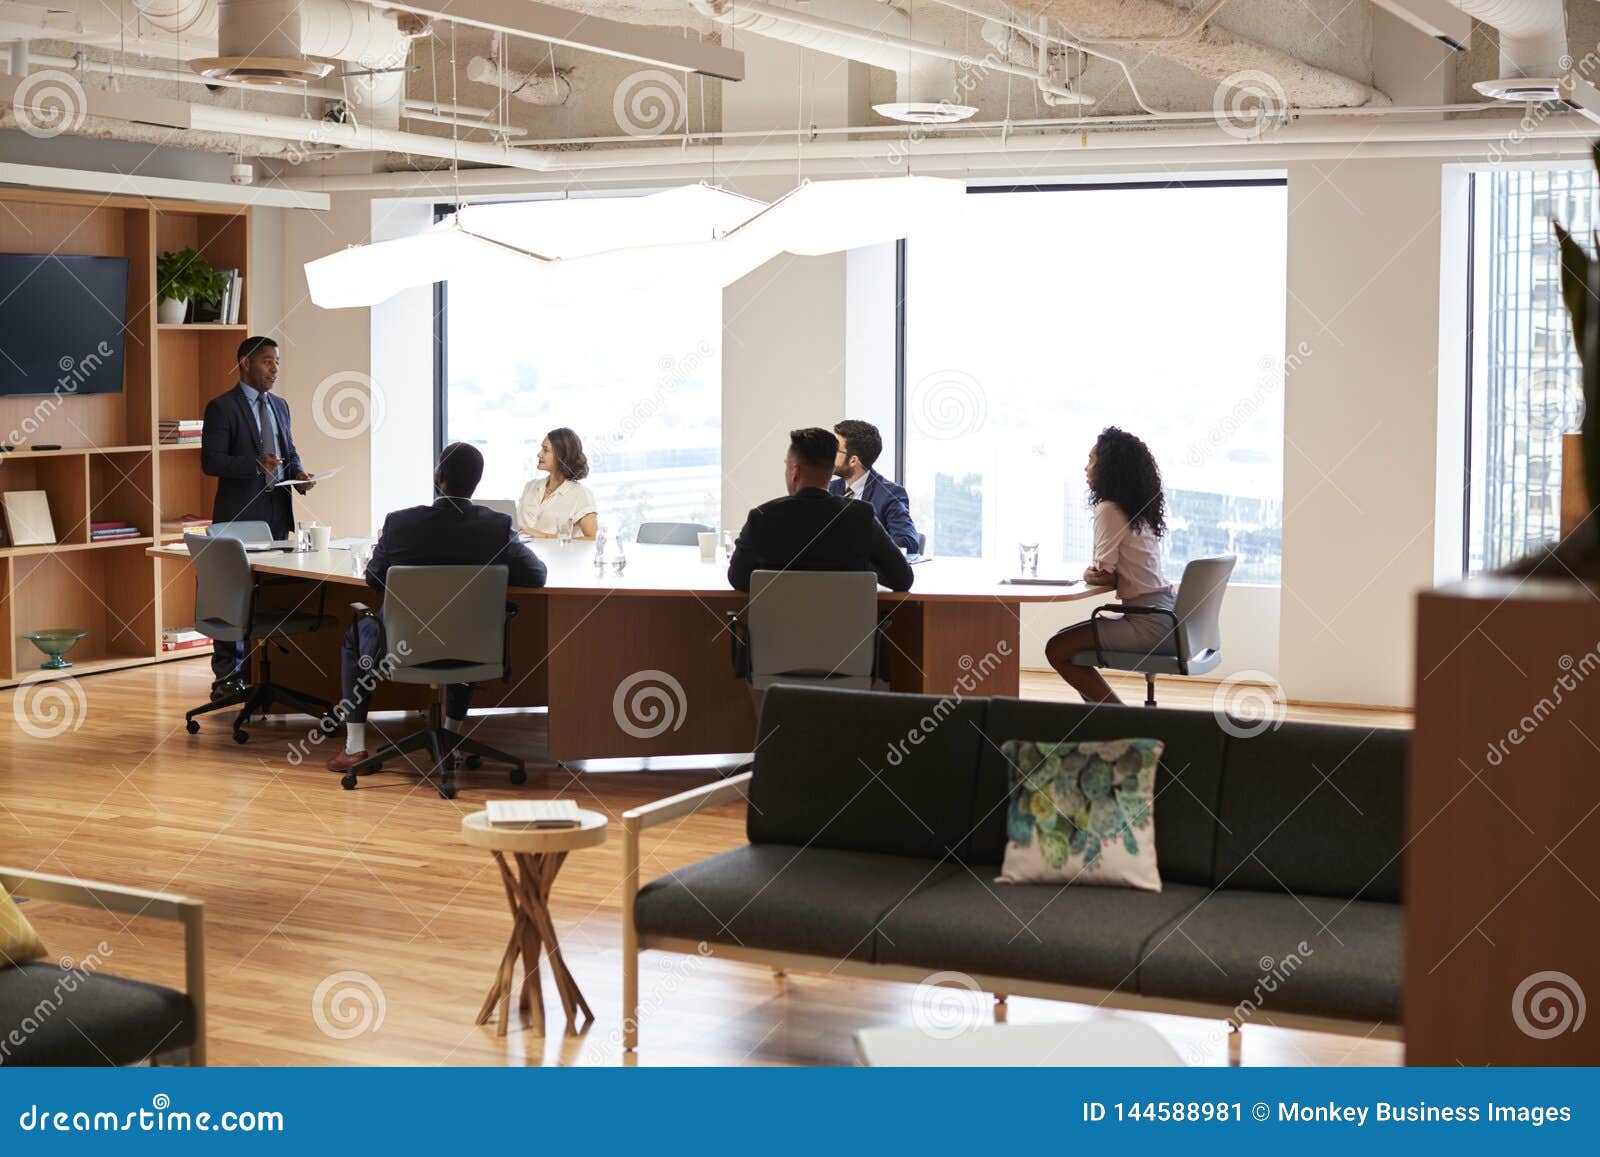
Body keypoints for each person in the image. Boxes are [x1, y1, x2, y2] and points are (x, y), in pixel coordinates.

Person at [325, 442, 547, 773]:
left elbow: (373, 578)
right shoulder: (496, 527)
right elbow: (536, 575)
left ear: (438, 476)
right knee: (464, 624)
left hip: (402, 649)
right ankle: (452, 740)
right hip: (473, 647)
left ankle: (355, 747)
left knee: (355, 635)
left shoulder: (401, 524)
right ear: (476, 482)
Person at [199, 336, 316, 695]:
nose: (274, 369)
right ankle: (226, 677)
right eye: (267, 361)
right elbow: (211, 462)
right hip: (239, 514)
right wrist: (253, 465)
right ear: (245, 363)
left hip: (277, 512)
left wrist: (300, 478)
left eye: (277, 362)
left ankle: (258, 675)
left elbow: (288, 451)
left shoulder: (280, 406)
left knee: (267, 593)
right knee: (233, 591)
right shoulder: (222, 408)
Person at [1044, 427, 1176, 704]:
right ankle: (1107, 721)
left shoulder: (1109, 509)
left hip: (1148, 623)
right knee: (1064, 643)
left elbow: (1104, 576)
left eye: (1091, 460)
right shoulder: (1137, 510)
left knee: (1057, 649)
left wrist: (1088, 574)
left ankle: (1120, 720)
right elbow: (1116, 575)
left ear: (1109, 467)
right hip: (1167, 616)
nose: (1086, 467)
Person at [727, 427, 914, 593]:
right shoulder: (861, 517)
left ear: (795, 472)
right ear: (831, 470)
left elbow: (738, 580)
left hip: (777, 631)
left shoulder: (761, 518)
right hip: (849, 631)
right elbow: (903, 579)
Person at [829, 419, 920, 553]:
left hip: (869, 572)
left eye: (835, 449)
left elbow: (907, 543)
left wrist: (856, 548)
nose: (829, 454)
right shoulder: (829, 488)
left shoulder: (890, 494)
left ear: (853, 460)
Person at [516, 428, 598, 539]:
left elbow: (590, 538)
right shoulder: (530, 486)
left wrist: (543, 536)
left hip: (557, 555)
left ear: (561, 456)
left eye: (545, 450)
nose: (539, 454)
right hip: (521, 554)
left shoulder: (581, 494)